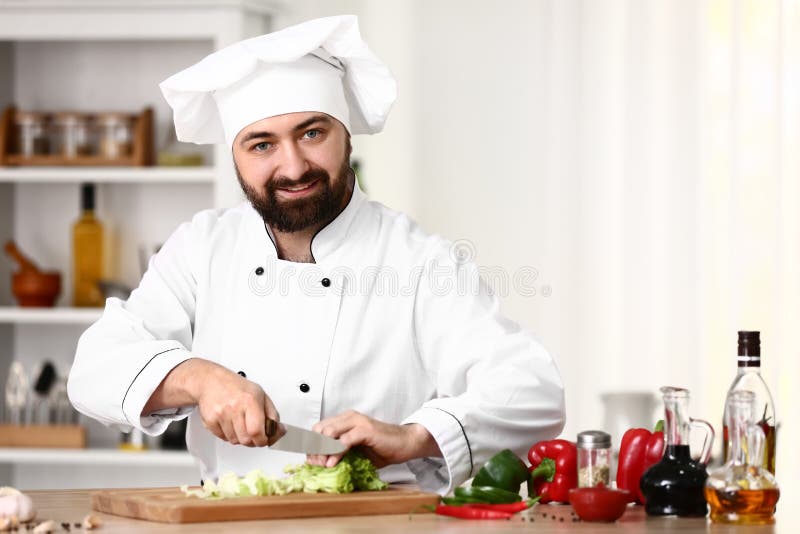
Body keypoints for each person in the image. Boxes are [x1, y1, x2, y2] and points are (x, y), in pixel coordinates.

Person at [67, 15, 565, 494]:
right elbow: (94, 368)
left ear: (346, 134)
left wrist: (414, 436)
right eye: (261, 145)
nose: (293, 167)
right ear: (235, 157)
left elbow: (533, 390)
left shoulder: (418, 260)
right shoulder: (203, 247)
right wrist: (198, 379)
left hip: (377, 523)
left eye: (312, 133)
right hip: (229, 519)